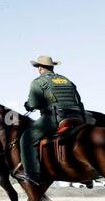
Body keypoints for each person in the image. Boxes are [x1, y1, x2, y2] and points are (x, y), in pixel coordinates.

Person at [14, 55, 85, 185]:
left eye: (38, 67)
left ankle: (32, 173)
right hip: (77, 117)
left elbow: (33, 103)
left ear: (40, 68)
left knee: (26, 138)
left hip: (55, 118)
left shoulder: (38, 82)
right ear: (52, 67)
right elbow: (79, 102)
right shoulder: (67, 80)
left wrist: (28, 105)